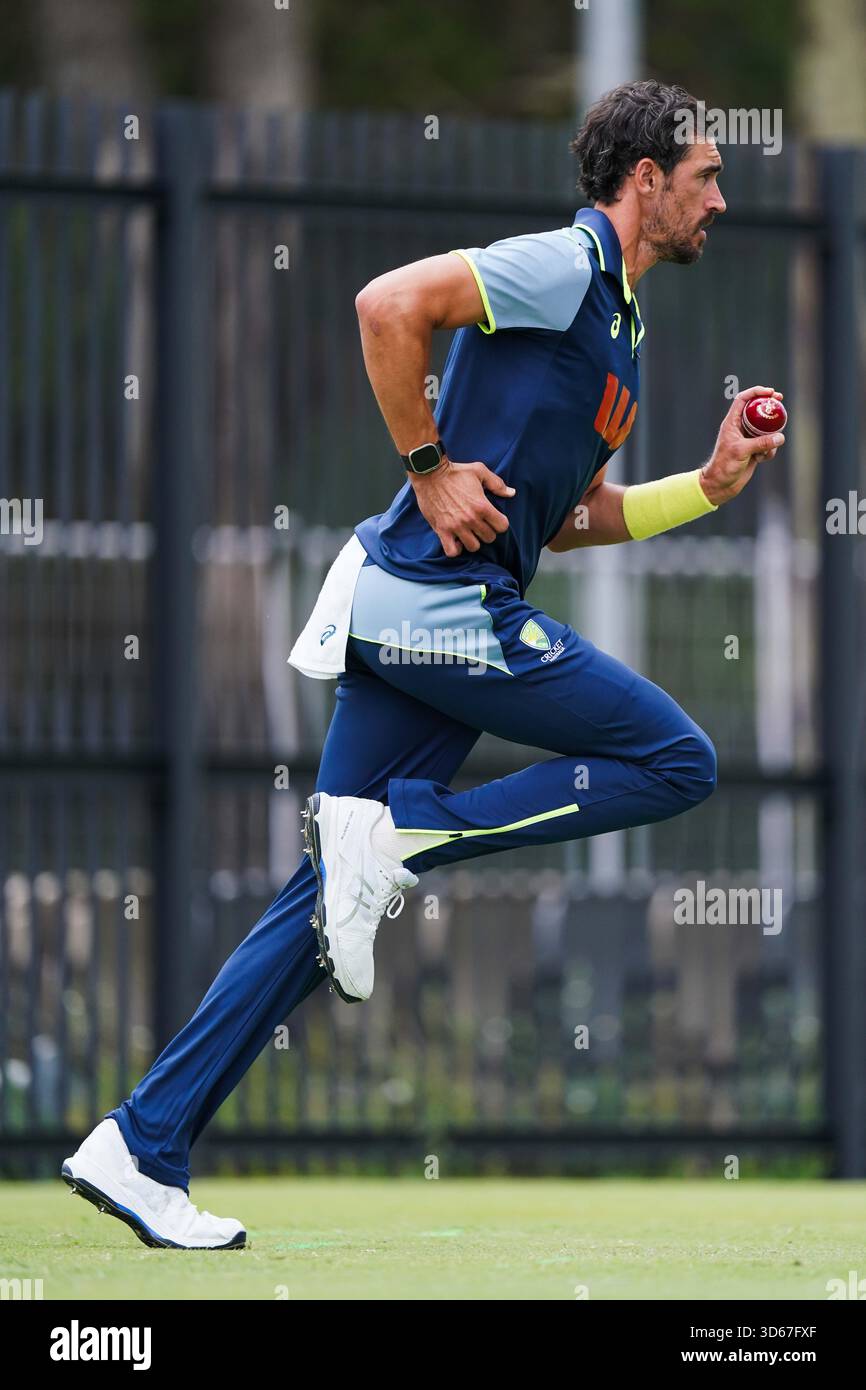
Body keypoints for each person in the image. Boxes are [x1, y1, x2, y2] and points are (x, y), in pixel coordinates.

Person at [62, 79, 785, 1249]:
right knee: (675, 757)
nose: (720, 195)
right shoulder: (562, 265)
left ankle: (140, 1143)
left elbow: (560, 520)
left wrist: (702, 489)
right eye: (705, 174)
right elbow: (386, 304)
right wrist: (423, 461)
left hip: (420, 609)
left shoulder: (622, 326)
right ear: (642, 181)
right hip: (437, 607)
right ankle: (410, 836)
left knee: (318, 910)